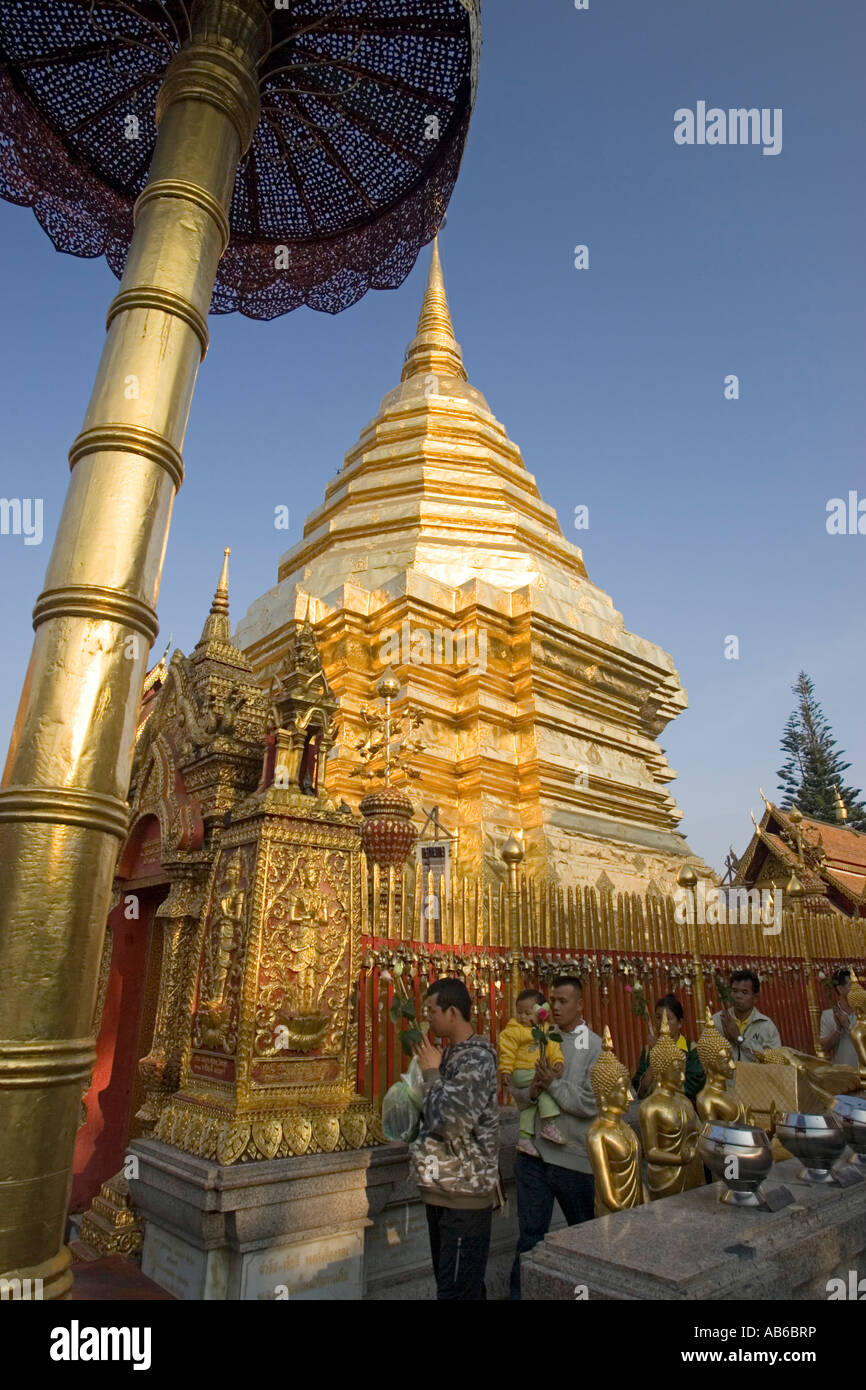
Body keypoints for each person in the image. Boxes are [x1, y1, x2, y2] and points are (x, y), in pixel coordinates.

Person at [508, 975, 602, 1300]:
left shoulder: (594, 1046)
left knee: (584, 1236)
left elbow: (592, 1102)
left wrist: (553, 1086)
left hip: (573, 1158)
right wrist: (531, 1090)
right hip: (533, 1155)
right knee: (530, 1239)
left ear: (580, 1004)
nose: (556, 1007)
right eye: (552, 1000)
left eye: (564, 1001)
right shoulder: (537, 1038)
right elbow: (516, 1090)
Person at [409, 977, 499, 1300]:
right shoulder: (447, 1055)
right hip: (442, 1190)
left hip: (464, 1192)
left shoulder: (477, 1059)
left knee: (457, 1292)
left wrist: (432, 1074)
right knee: (457, 1286)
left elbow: (451, 1121)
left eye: (432, 1010)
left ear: (452, 1012)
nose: (428, 1017)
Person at [498, 989, 566, 1155]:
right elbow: (507, 1051)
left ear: (540, 1012)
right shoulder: (514, 1030)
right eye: (519, 1012)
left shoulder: (544, 1031)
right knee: (545, 1088)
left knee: (530, 1105)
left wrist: (558, 1061)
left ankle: (524, 1138)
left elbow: (553, 1048)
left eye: (527, 1013)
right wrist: (506, 1070)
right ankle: (549, 1124)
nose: (522, 1017)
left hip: (531, 1072)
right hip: (522, 1072)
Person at [632, 994, 705, 1103]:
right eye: (658, 1017)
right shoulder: (649, 1049)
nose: (662, 1023)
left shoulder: (692, 1050)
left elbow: (694, 1085)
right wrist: (655, 1060)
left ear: (679, 1023)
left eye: (668, 1018)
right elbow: (639, 1088)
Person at [712, 969, 780, 1061]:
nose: (738, 996)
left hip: (756, 1075)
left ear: (755, 998)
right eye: (734, 991)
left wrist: (739, 1038)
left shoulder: (766, 1025)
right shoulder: (717, 1021)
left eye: (744, 992)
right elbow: (706, 1057)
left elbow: (774, 1061)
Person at [820, 967, 859, 1068]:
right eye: (851, 986)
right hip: (844, 1072)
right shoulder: (828, 1015)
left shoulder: (863, 1010)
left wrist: (847, 1024)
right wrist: (838, 1029)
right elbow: (825, 1047)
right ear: (840, 989)